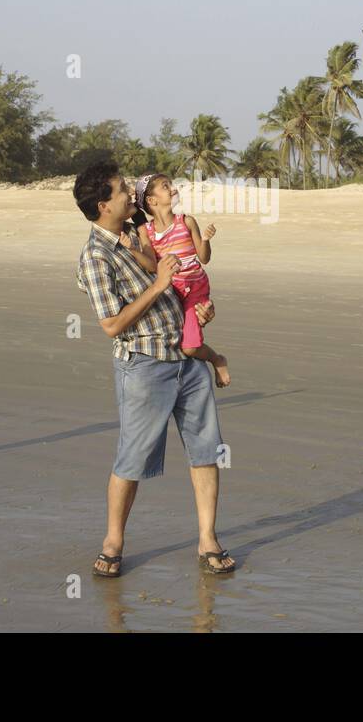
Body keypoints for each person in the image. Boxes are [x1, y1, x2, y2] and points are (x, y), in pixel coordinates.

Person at [73, 162, 235, 577]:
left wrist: (201, 311)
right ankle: (113, 542)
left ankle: (208, 539)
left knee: (205, 451)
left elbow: (182, 284)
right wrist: (158, 286)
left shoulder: (138, 235)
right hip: (144, 366)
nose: (131, 194)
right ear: (102, 205)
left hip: (187, 360)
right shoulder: (94, 256)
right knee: (132, 457)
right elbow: (111, 325)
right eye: (122, 191)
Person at [127, 173, 230, 387]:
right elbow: (151, 264)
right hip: (172, 291)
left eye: (171, 185)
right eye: (165, 186)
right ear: (152, 201)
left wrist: (206, 240)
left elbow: (204, 258)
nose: (173, 188)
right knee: (178, 338)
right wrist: (132, 250)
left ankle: (217, 360)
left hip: (195, 288)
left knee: (190, 347)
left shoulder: (186, 221)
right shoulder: (145, 232)